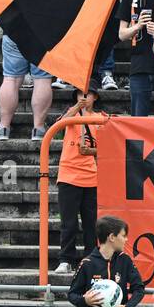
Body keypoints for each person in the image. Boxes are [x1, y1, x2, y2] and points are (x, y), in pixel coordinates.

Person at [0, 0, 74, 140]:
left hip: (14, 27)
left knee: (10, 79)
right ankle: (38, 129)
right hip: (44, 31)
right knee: (42, 80)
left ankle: (3, 127)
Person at [54, 86, 100, 274]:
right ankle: (66, 259)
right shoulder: (71, 115)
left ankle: (91, 258)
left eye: (87, 94)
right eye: (80, 94)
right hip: (68, 175)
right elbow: (58, 127)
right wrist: (75, 108)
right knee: (69, 222)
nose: (84, 97)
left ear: (95, 97)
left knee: (91, 222)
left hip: (92, 176)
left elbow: (110, 147)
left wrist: (90, 151)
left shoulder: (100, 118)